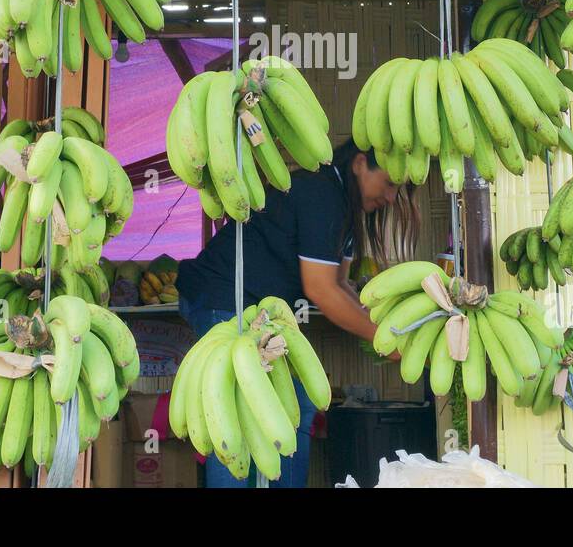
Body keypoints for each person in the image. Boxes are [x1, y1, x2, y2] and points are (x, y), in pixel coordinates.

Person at [176, 138, 420, 488]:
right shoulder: (321, 193)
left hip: (261, 306)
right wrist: (384, 341)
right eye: (391, 184)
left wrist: (386, 331)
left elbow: (341, 284)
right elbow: (321, 289)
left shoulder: (346, 207)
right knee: (231, 412)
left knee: (297, 405)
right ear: (360, 164)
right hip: (223, 294)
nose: (392, 198)